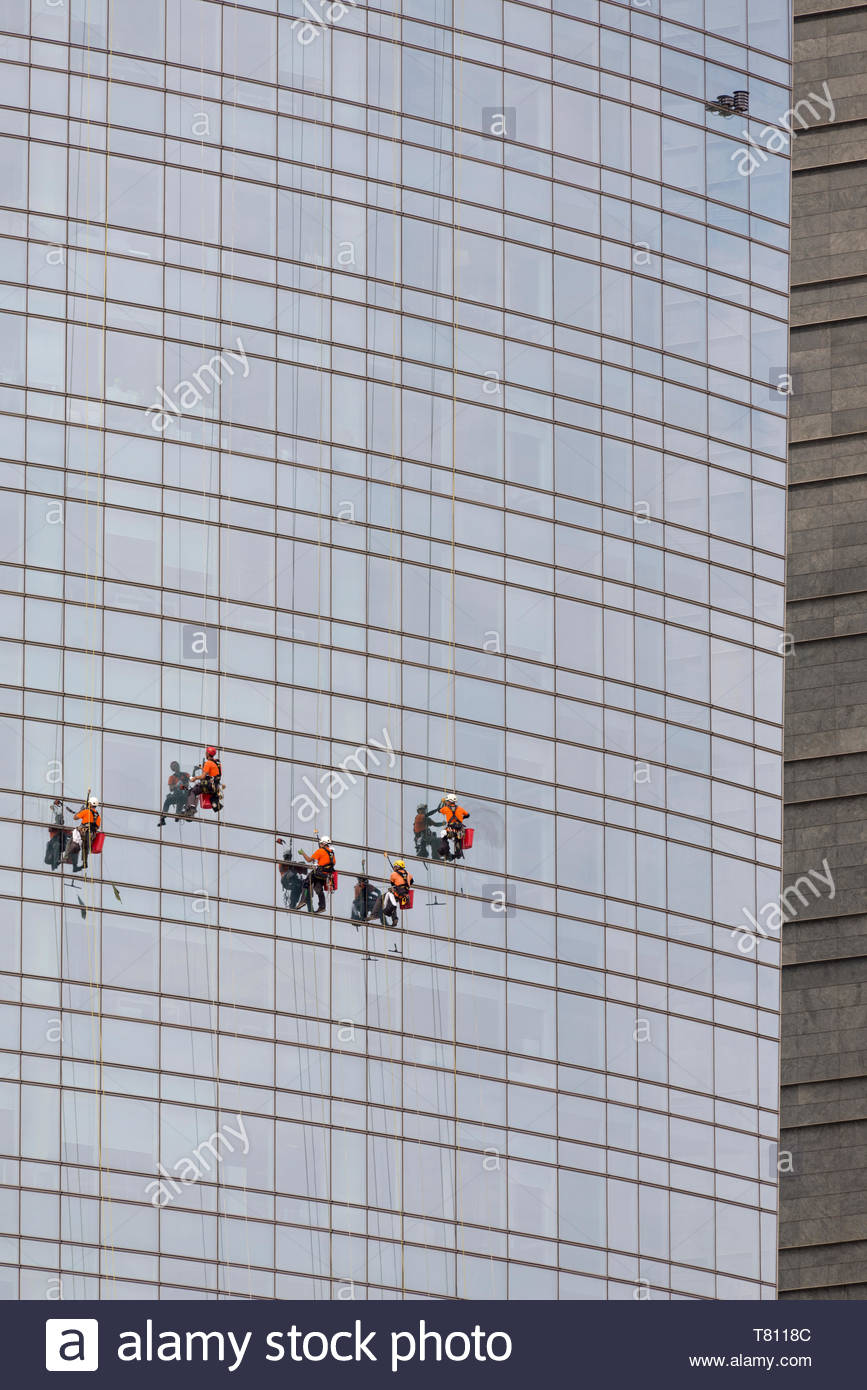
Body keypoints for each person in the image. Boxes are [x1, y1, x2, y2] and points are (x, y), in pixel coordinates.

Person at [300, 835, 336, 914]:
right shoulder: (331, 853)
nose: (319, 845)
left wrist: (303, 853)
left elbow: (309, 860)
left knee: (306, 883)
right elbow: (331, 863)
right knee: (318, 889)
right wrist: (318, 864)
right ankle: (322, 907)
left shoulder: (320, 851)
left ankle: (303, 900)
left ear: (323, 843)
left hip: (319, 873)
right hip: (326, 875)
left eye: (320, 843)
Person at [63, 796, 101, 871]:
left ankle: (66, 857)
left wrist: (81, 811)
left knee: (70, 841)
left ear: (90, 804)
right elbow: (97, 827)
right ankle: (85, 863)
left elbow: (75, 817)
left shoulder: (86, 811)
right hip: (91, 834)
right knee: (85, 847)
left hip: (83, 832)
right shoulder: (98, 816)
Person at [157, 761, 192, 826]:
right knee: (167, 801)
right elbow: (171, 789)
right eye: (174, 766)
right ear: (173, 769)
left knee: (181, 797)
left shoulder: (185, 774)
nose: (176, 767)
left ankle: (180, 814)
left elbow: (191, 781)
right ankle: (163, 817)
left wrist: (194, 771)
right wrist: (177, 785)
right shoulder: (172, 777)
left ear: (178, 766)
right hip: (177, 794)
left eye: (176, 765)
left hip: (185, 793)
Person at [437, 793, 470, 861]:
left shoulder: (445, 808)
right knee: (458, 839)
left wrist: (442, 802)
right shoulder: (460, 808)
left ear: (449, 801)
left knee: (443, 834)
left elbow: (439, 810)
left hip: (451, 830)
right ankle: (458, 853)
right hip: (459, 829)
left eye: (447, 801)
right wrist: (461, 818)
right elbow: (468, 815)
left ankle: (445, 851)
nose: (446, 802)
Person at [44, 799, 75, 871]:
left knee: (71, 842)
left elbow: (71, 834)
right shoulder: (54, 827)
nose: (62, 820)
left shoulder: (64, 829)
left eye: (62, 819)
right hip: (55, 844)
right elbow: (50, 829)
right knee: (57, 843)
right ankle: (55, 861)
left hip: (62, 845)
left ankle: (68, 858)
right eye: (60, 819)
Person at [383, 859, 414, 926]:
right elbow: (411, 881)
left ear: (398, 866)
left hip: (398, 893)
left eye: (395, 866)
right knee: (392, 903)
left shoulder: (394, 874)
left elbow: (392, 884)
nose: (394, 867)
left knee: (390, 902)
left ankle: (393, 917)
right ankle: (394, 918)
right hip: (405, 892)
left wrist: (396, 875)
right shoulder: (408, 873)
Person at [195, 746, 223, 813]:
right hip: (216, 786)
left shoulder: (208, 763)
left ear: (207, 753)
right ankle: (216, 805)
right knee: (213, 796)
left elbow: (203, 776)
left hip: (209, 786)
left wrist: (195, 778)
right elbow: (216, 774)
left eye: (206, 752)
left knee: (193, 791)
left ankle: (191, 807)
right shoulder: (218, 763)